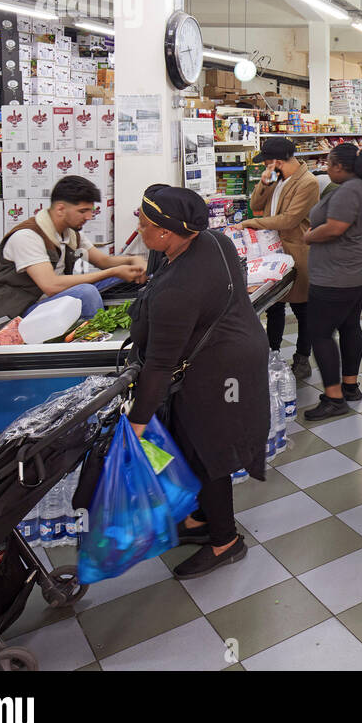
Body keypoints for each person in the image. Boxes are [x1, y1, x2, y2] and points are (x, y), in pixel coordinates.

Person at [126, 184, 270, 579]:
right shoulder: (211, 240)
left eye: (143, 219)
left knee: (207, 452)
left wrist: (136, 423)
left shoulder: (179, 289)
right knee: (188, 443)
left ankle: (225, 541)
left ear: (165, 233)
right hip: (234, 349)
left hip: (220, 369)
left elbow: (159, 363)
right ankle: (196, 520)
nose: (136, 223)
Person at [0, 176, 145, 324]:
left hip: (49, 298)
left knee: (133, 274)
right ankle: (94, 345)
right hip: (18, 311)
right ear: (60, 209)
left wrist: (134, 261)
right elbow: (51, 285)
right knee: (86, 292)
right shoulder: (27, 236)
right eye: (82, 211)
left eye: (90, 211)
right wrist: (113, 272)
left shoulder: (70, 232)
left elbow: (103, 262)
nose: (88, 217)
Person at [302, 142, 362, 420]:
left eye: (328, 164)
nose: (326, 169)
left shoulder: (349, 190)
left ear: (340, 166)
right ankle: (350, 386)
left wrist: (309, 236)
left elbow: (335, 228)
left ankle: (334, 397)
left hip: (336, 274)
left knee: (320, 333)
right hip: (353, 269)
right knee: (350, 325)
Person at [240, 137, 322, 378]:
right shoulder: (275, 177)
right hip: (271, 251)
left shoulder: (308, 183)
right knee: (273, 306)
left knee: (302, 309)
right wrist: (264, 182)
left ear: (275, 160)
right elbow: (256, 203)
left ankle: (302, 359)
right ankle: (272, 355)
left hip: (296, 252)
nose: (265, 166)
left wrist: (250, 223)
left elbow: (289, 220)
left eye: (266, 163)